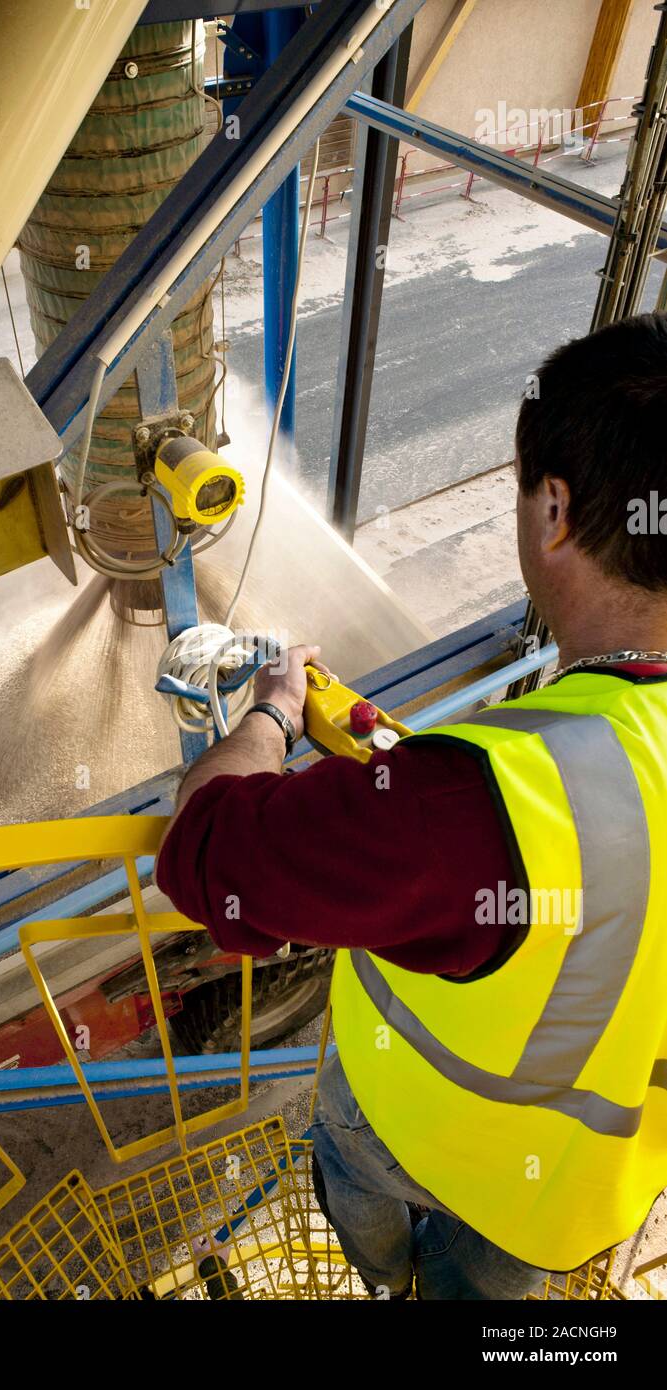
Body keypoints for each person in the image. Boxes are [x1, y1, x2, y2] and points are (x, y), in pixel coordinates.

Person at [155, 312, 667, 1299]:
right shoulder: (478, 793)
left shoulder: (466, 803)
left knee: (367, 1220)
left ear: (553, 510)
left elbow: (207, 857)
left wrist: (268, 719)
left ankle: (385, 1280)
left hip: (400, 1132)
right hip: (573, 1206)